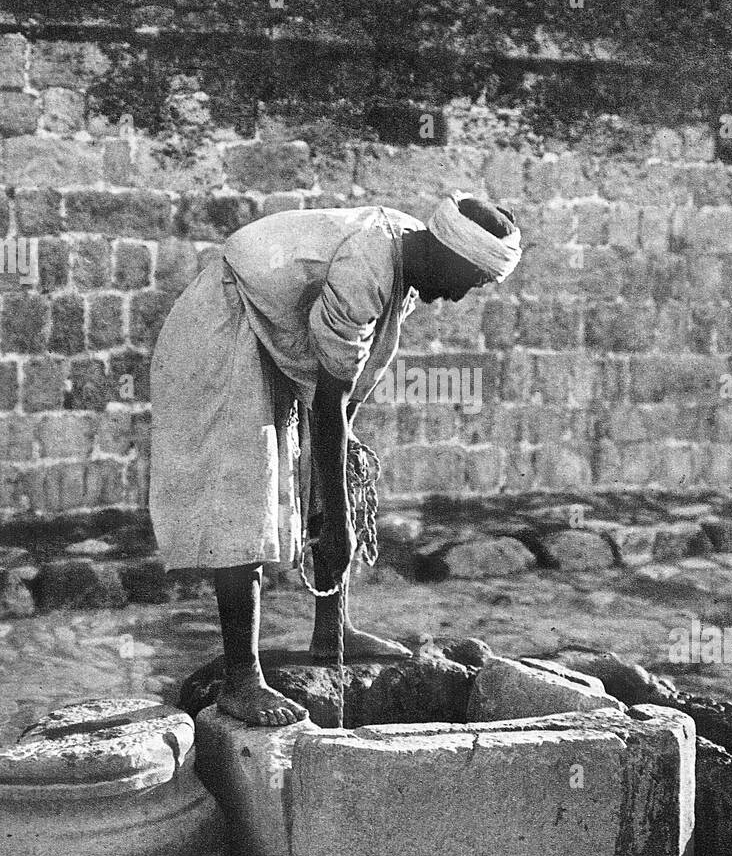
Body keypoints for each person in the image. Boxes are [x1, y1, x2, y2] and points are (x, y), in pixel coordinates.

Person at [149, 193, 522, 727]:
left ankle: (332, 632)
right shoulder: (369, 263)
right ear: (449, 254)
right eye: (470, 280)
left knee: (335, 468)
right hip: (223, 326)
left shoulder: (408, 259)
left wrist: (337, 502)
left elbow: (339, 406)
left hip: (273, 331)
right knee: (243, 487)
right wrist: (340, 527)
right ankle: (241, 679)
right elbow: (329, 405)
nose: (461, 297)